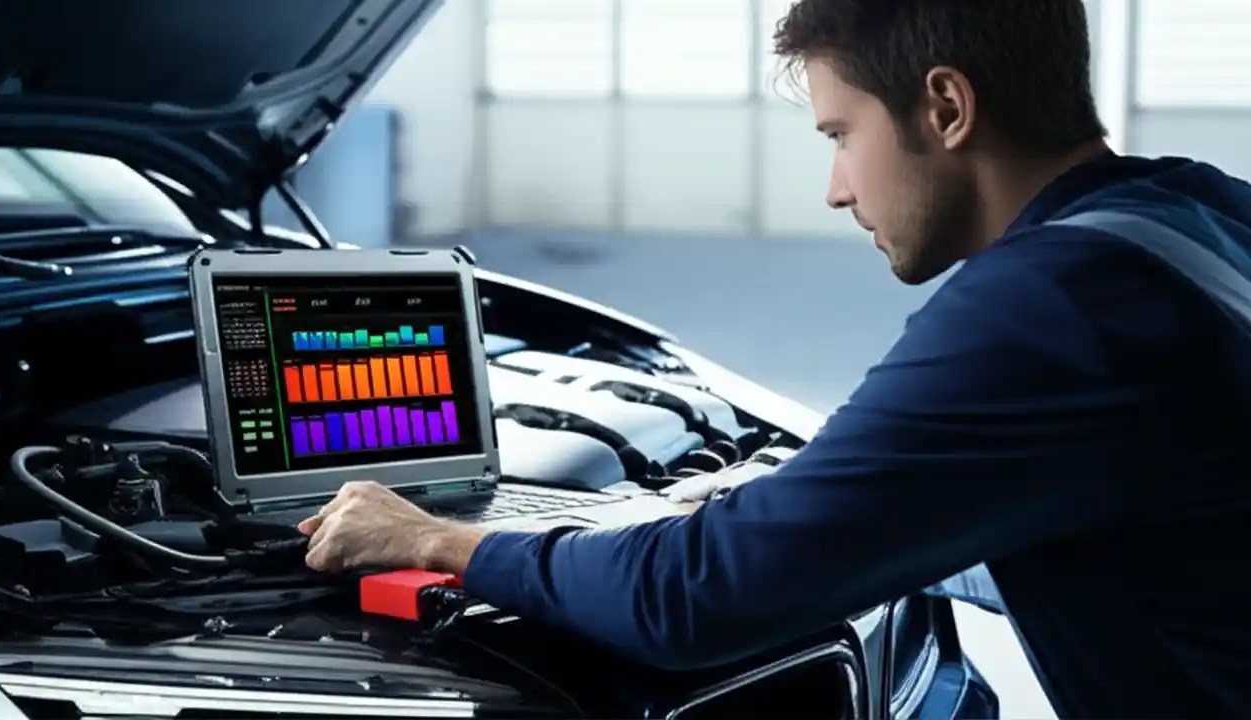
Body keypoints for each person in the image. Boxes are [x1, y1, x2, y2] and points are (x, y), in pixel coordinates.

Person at [297, 1, 1251, 716]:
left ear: (947, 108)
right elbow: (1149, 523)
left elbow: (695, 600)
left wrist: (439, 540)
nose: (838, 188)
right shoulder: (1201, 213)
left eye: (841, 135)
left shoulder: (1049, 306)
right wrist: (814, 516)